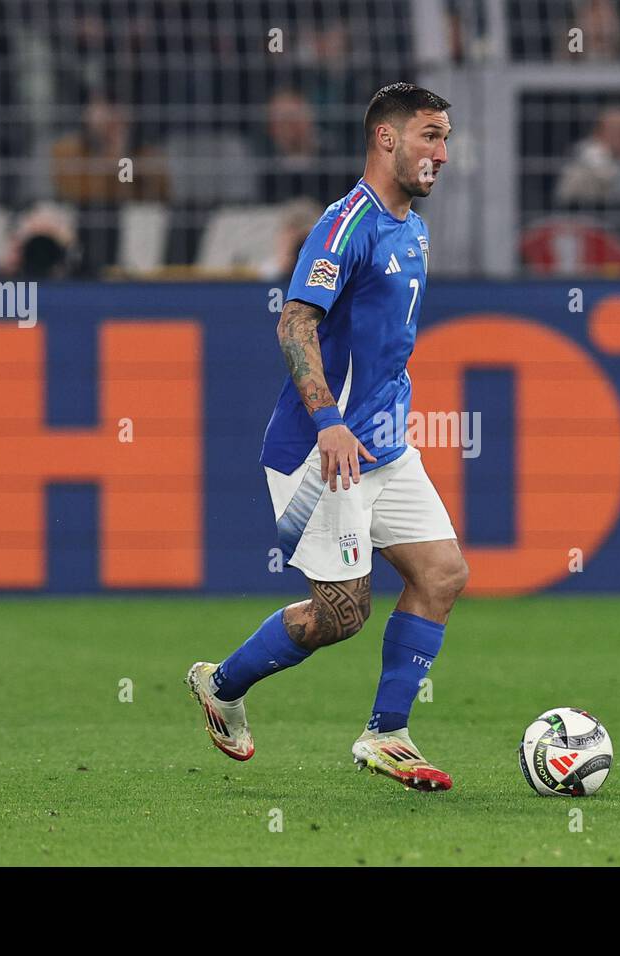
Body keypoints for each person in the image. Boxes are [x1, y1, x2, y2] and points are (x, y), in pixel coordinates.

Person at [185, 83, 468, 792]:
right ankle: (221, 684)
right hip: (322, 453)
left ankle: (386, 734)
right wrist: (330, 420)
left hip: (385, 447)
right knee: (342, 615)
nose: (442, 152)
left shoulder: (414, 227)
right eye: (430, 136)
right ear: (386, 139)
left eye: (446, 138)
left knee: (442, 575)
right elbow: (295, 322)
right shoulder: (348, 224)